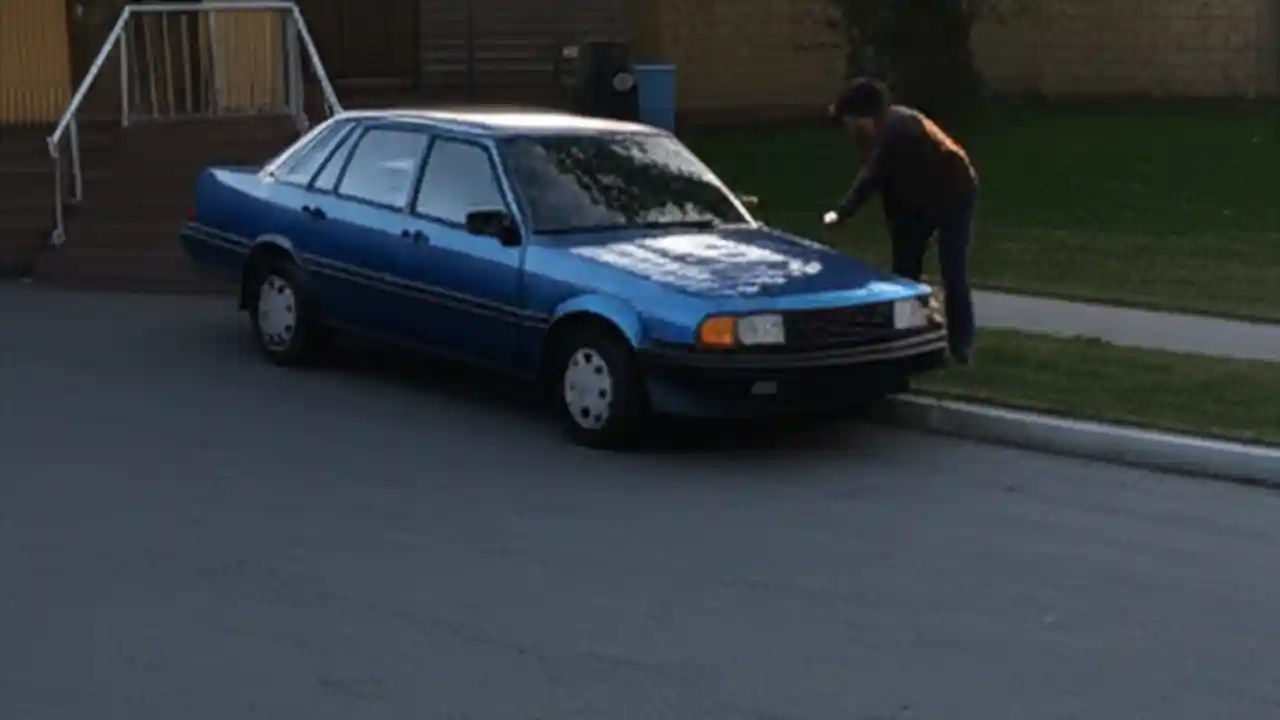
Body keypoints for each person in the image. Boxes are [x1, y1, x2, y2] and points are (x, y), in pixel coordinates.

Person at [822, 78, 979, 365]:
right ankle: (908, 339)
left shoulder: (898, 129)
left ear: (866, 116)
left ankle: (961, 345)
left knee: (952, 268)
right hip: (916, 198)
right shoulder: (877, 134)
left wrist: (841, 213)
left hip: (954, 192)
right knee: (905, 274)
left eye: (850, 120)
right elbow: (891, 190)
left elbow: (871, 179)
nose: (847, 128)